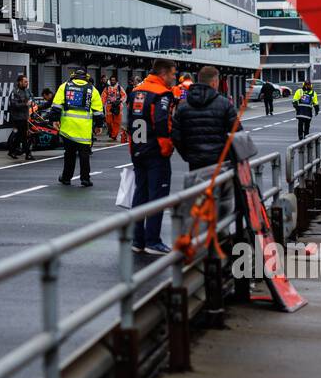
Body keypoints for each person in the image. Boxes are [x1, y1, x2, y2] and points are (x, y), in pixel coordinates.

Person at [172, 66, 239, 216]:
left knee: (198, 201)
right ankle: (220, 234)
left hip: (195, 163)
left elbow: (176, 136)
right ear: (215, 82)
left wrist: (188, 155)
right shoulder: (224, 104)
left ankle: (200, 233)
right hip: (220, 163)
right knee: (221, 202)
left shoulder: (183, 107)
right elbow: (237, 134)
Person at [127, 59, 177, 254]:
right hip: (155, 151)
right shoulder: (162, 94)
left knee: (140, 194)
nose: (174, 78)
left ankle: (137, 239)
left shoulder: (136, 91)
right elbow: (162, 123)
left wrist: (133, 148)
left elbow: (130, 122)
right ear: (163, 73)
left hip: (138, 149)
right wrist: (167, 149)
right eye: (172, 74)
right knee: (158, 196)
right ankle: (152, 241)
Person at [51, 67, 103, 186]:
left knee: (69, 154)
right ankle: (85, 179)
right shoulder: (92, 90)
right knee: (84, 155)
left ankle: (66, 178)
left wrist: (54, 120)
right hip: (84, 130)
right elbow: (98, 111)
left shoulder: (64, 86)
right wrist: (99, 125)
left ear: (73, 76)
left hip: (68, 128)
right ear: (86, 77)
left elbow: (56, 106)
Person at [7, 73, 36, 160]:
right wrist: (25, 104)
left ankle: (12, 151)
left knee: (21, 136)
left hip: (25, 116)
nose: (26, 83)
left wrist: (32, 102)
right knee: (23, 135)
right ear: (19, 82)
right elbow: (13, 104)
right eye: (25, 82)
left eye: (27, 82)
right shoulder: (15, 92)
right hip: (17, 117)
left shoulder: (27, 91)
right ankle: (28, 154)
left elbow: (32, 98)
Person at [102, 76, 127, 142]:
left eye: (114, 80)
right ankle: (111, 132)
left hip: (117, 107)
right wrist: (101, 105)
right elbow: (103, 97)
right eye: (112, 80)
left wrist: (120, 101)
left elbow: (124, 95)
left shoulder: (119, 88)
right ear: (110, 81)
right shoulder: (107, 88)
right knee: (108, 121)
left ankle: (114, 135)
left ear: (116, 81)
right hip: (109, 107)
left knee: (117, 122)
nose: (113, 81)